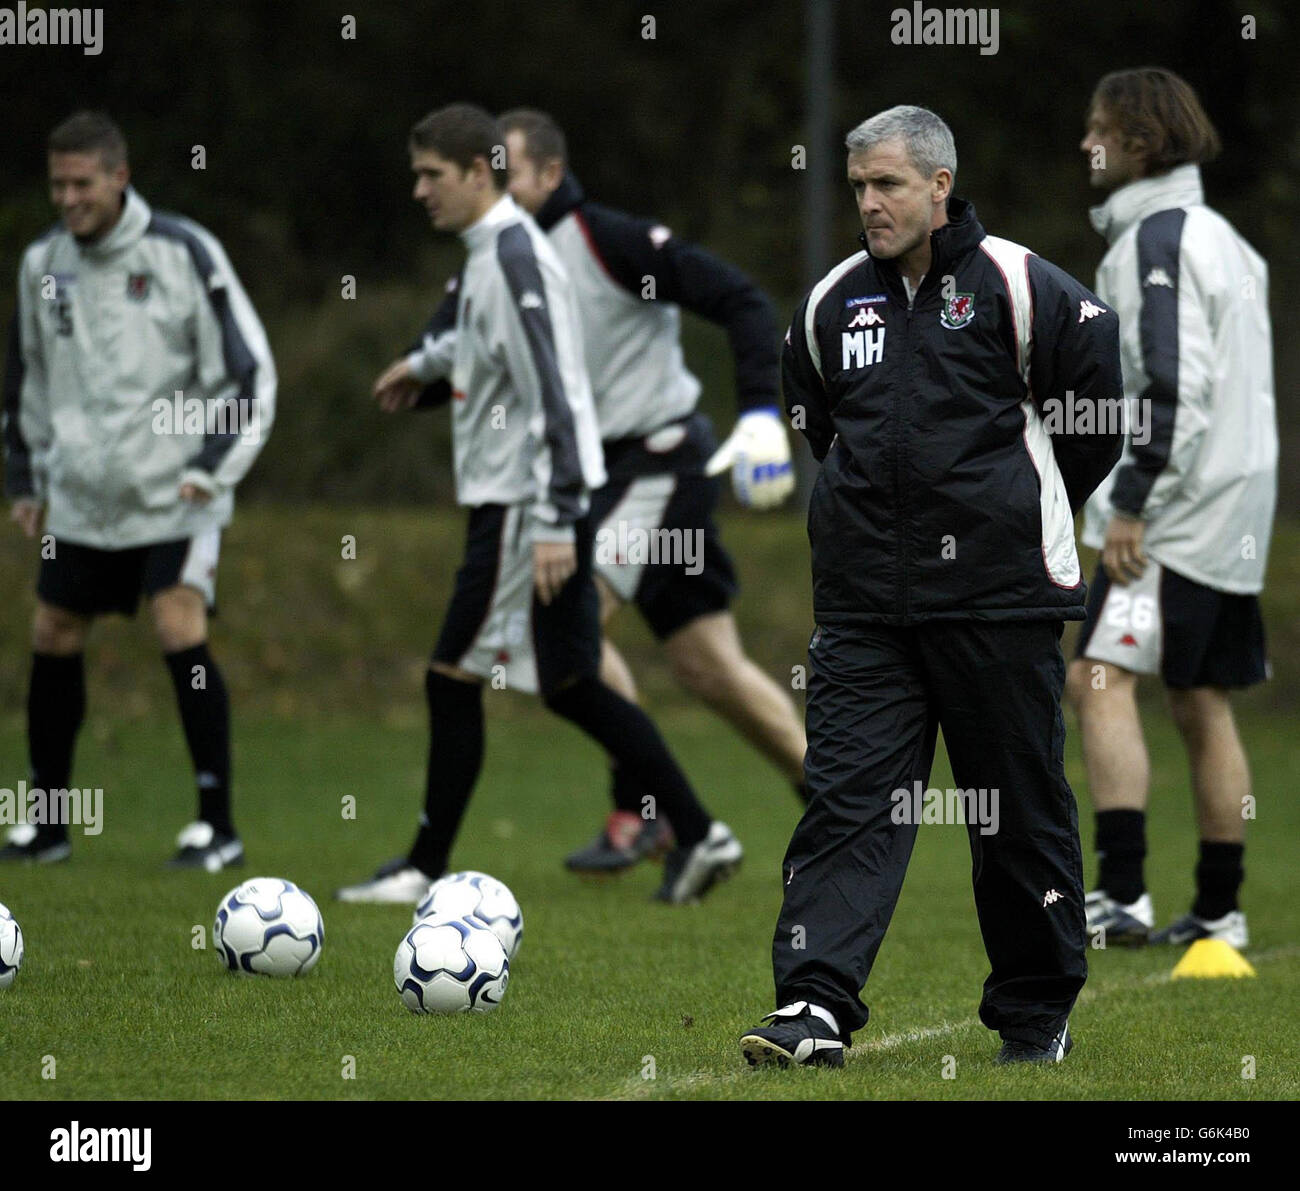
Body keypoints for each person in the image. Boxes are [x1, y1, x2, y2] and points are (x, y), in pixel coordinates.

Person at [738, 105, 1123, 1069]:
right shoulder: (830, 304)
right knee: (847, 803)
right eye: (859, 186)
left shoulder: (1023, 286)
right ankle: (813, 1006)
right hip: (866, 610)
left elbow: (1093, 415)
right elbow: (820, 423)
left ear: (940, 184)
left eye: (888, 185)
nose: (869, 202)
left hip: (1003, 603)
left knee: (1018, 812)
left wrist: (1016, 513)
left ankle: (1035, 1015)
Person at [337, 103, 741, 906]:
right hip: (520, 499)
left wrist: (558, 516)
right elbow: (487, 343)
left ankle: (423, 863)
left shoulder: (515, 254)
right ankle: (699, 832)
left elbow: (558, 390)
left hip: (525, 504)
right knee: (572, 683)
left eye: (431, 175)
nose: (419, 190)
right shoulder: (494, 254)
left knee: (452, 678)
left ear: (477, 173)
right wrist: (425, 360)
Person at [2, 111, 276, 870]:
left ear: (119, 178)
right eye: (57, 183)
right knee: (53, 631)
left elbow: (248, 370)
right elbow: (26, 373)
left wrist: (212, 463)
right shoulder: (42, 264)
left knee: (176, 624)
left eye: (82, 183)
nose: (67, 198)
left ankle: (215, 822)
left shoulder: (184, 251)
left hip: (176, 491)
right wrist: (24, 473)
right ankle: (49, 823)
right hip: (84, 497)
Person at [1068, 68, 1277, 948]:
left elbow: (1173, 387)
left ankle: (1120, 895)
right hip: (1232, 507)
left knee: (1097, 677)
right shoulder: (1228, 239)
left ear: (1141, 143)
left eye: (1099, 130)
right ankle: (1220, 910)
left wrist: (1131, 502)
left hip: (1174, 510)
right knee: (1199, 699)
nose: (1087, 145)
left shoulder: (1157, 237)